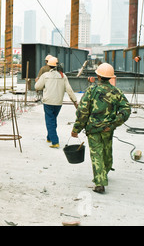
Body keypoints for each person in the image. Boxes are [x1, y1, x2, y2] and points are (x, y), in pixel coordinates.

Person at [71, 63, 131, 194]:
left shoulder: (91, 90)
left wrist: (76, 129)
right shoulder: (116, 92)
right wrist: (113, 124)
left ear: (97, 75)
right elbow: (126, 110)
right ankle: (105, 171)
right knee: (106, 151)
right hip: (108, 129)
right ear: (110, 77)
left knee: (96, 154)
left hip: (93, 129)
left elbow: (82, 111)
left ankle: (100, 183)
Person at [35, 57, 78, 148]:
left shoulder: (45, 75)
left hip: (48, 102)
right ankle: (49, 137)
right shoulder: (63, 76)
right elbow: (69, 90)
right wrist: (75, 101)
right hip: (58, 103)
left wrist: (40, 83)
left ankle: (55, 141)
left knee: (50, 121)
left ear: (48, 65)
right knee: (53, 120)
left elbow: (37, 87)